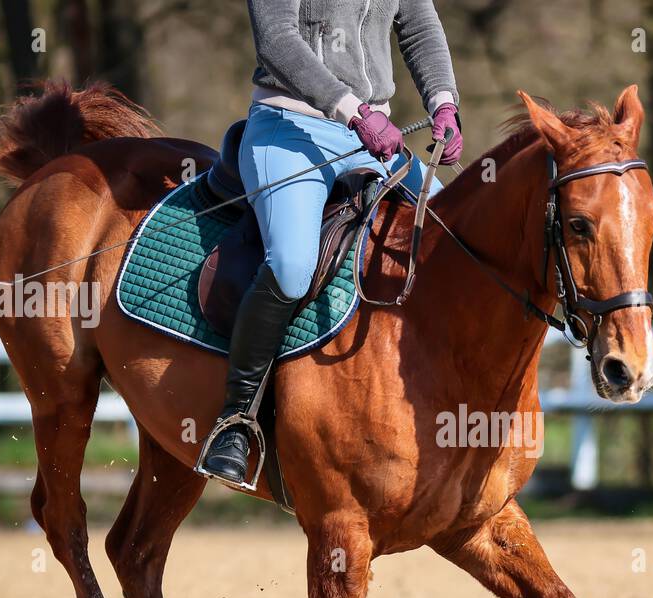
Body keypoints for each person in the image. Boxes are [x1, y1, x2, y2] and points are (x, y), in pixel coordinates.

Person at [197, 0, 464, 487]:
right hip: (290, 129)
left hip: (374, 137)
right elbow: (277, 41)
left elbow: (420, 26)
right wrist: (352, 111)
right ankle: (235, 421)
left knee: (451, 246)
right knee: (294, 265)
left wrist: (444, 103)